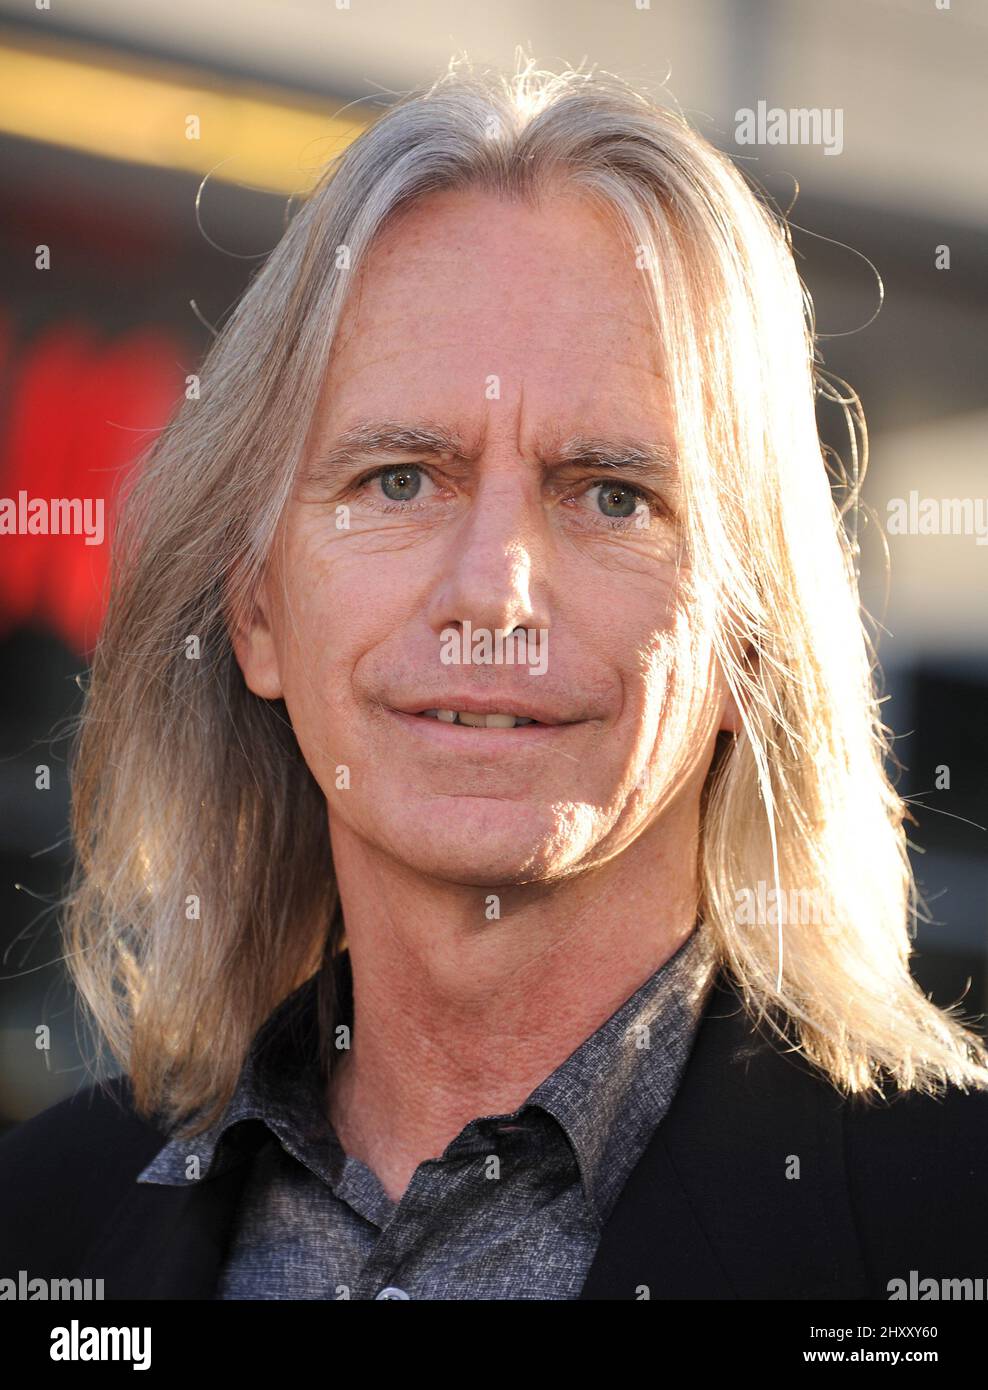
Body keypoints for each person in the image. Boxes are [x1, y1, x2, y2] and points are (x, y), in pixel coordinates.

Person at [1, 57, 986, 1302]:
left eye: (611, 494)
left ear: (750, 639)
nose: (493, 593)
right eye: (399, 479)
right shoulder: (40, 1227)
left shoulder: (950, 1236)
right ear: (256, 611)